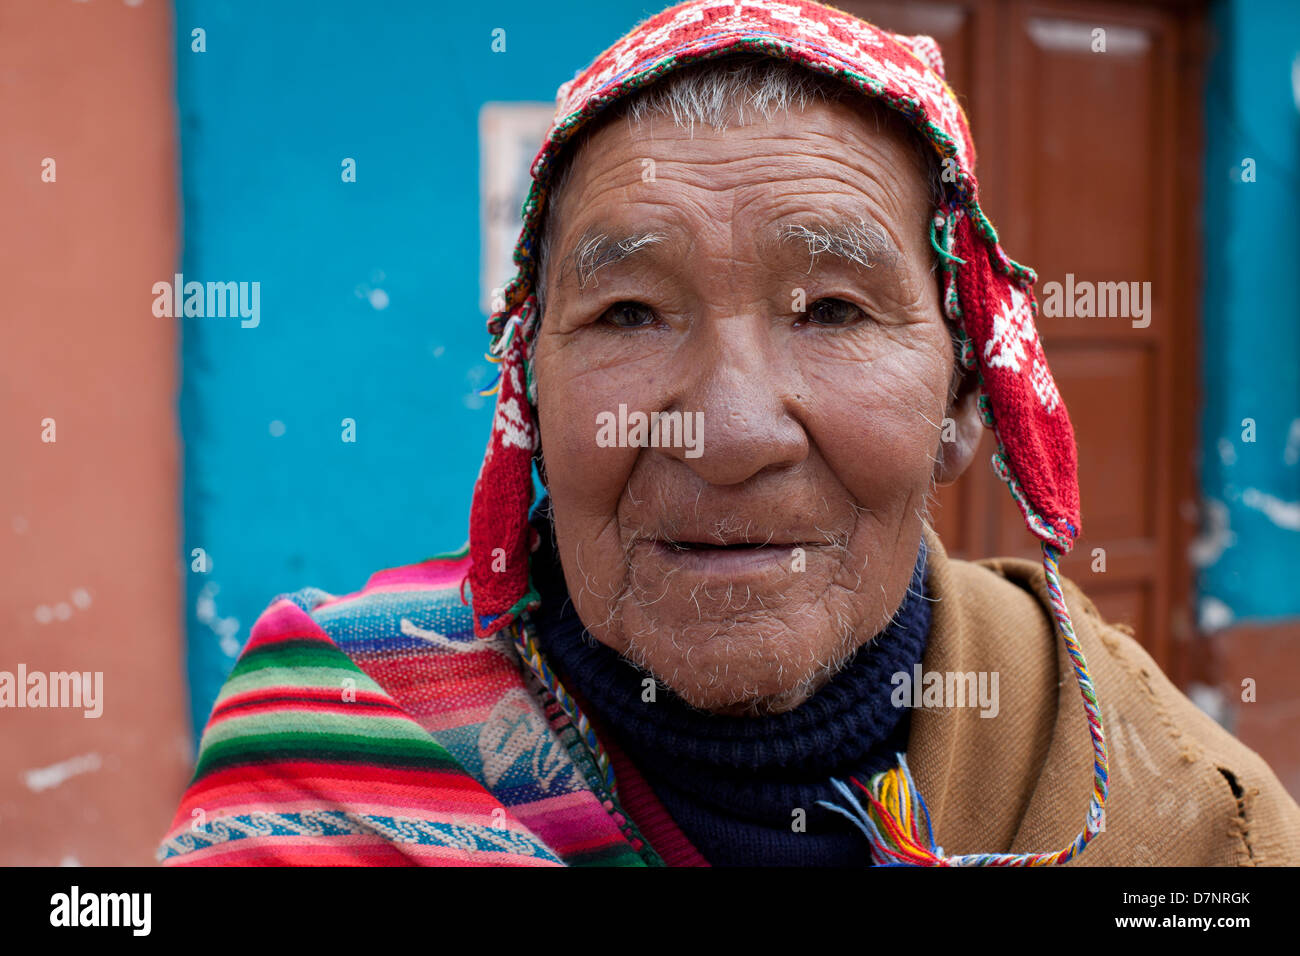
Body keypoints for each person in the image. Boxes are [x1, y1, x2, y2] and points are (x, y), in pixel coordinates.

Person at [159, 0, 1300, 866]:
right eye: (629, 312)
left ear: (965, 407)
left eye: (836, 311)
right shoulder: (340, 735)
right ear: (529, 405)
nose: (730, 430)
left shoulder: (1154, 792)